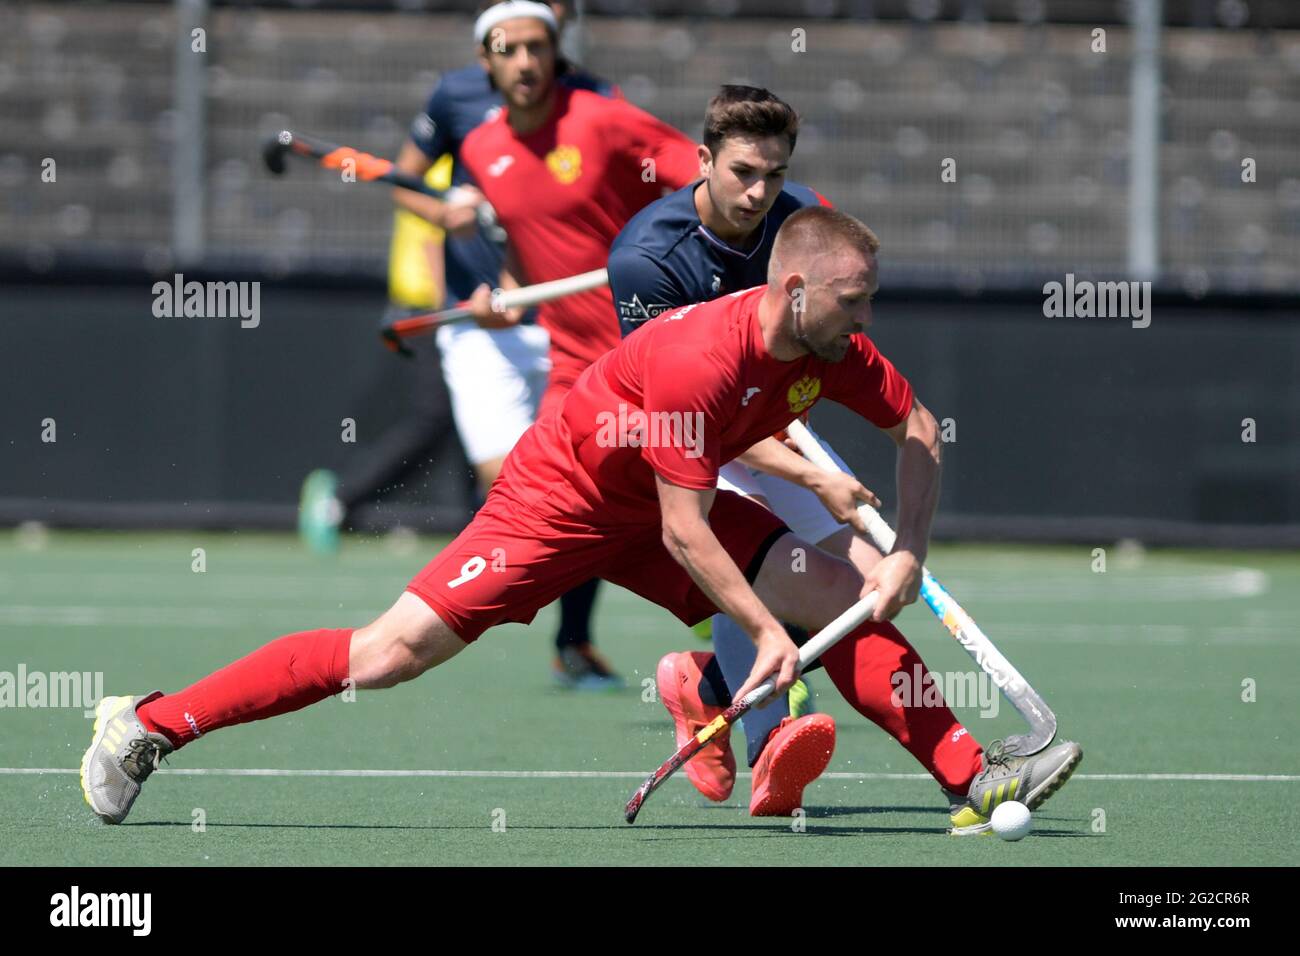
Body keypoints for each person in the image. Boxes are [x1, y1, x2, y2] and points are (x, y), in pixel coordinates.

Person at [81, 206, 1082, 834]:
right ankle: (147, 725)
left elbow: (916, 420)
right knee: (385, 655)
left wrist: (905, 549)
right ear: (794, 289)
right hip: (560, 498)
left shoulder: (833, 347)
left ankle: (975, 772)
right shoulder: (704, 357)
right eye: (853, 303)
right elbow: (691, 532)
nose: (865, 323)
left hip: (661, 497)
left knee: (843, 593)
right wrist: (770, 636)